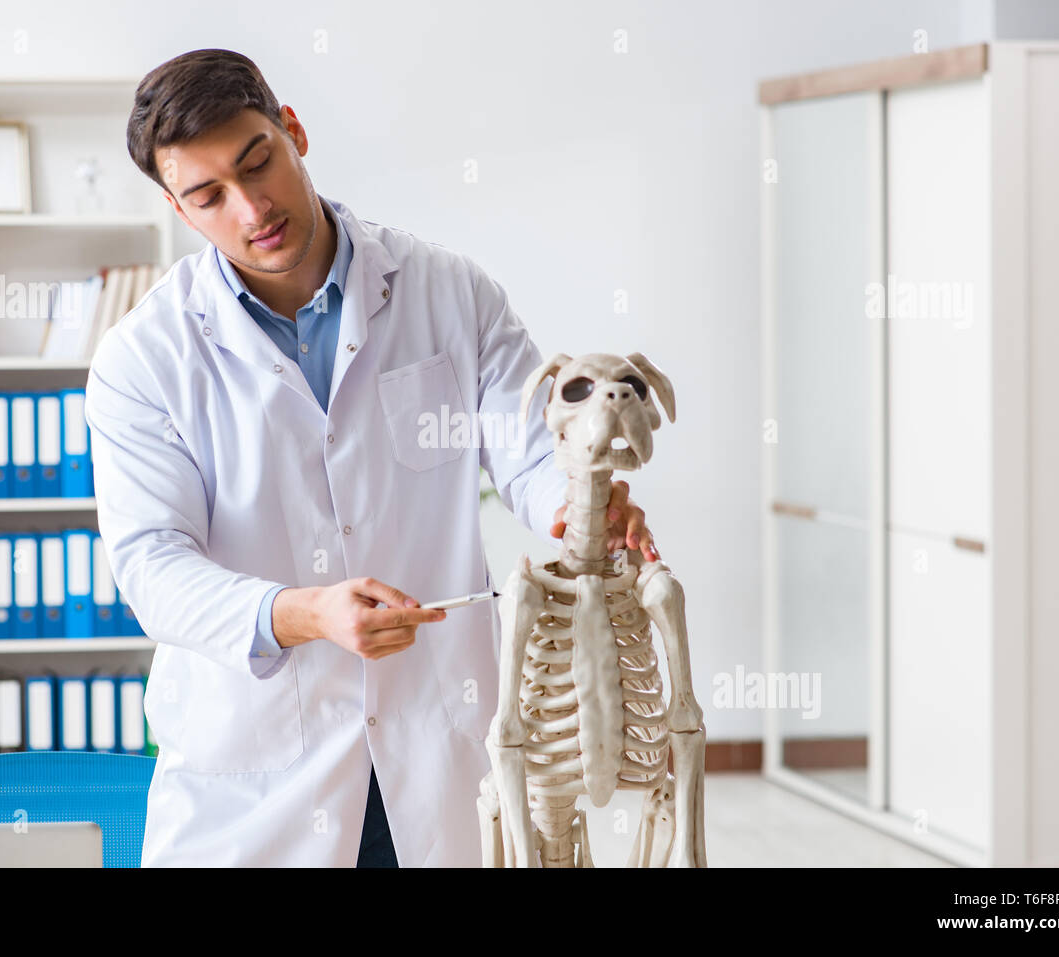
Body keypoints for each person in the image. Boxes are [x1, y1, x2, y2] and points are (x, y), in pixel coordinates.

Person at [85, 47, 658, 867]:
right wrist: (307, 612)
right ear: (180, 209)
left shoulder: (449, 293)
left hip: (436, 750)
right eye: (210, 195)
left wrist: (580, 506)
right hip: (259, 783)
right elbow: (151, 567)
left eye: (259, 163)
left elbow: (530, 453)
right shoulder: (144, 358)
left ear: (293, 131)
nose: (252, 209)